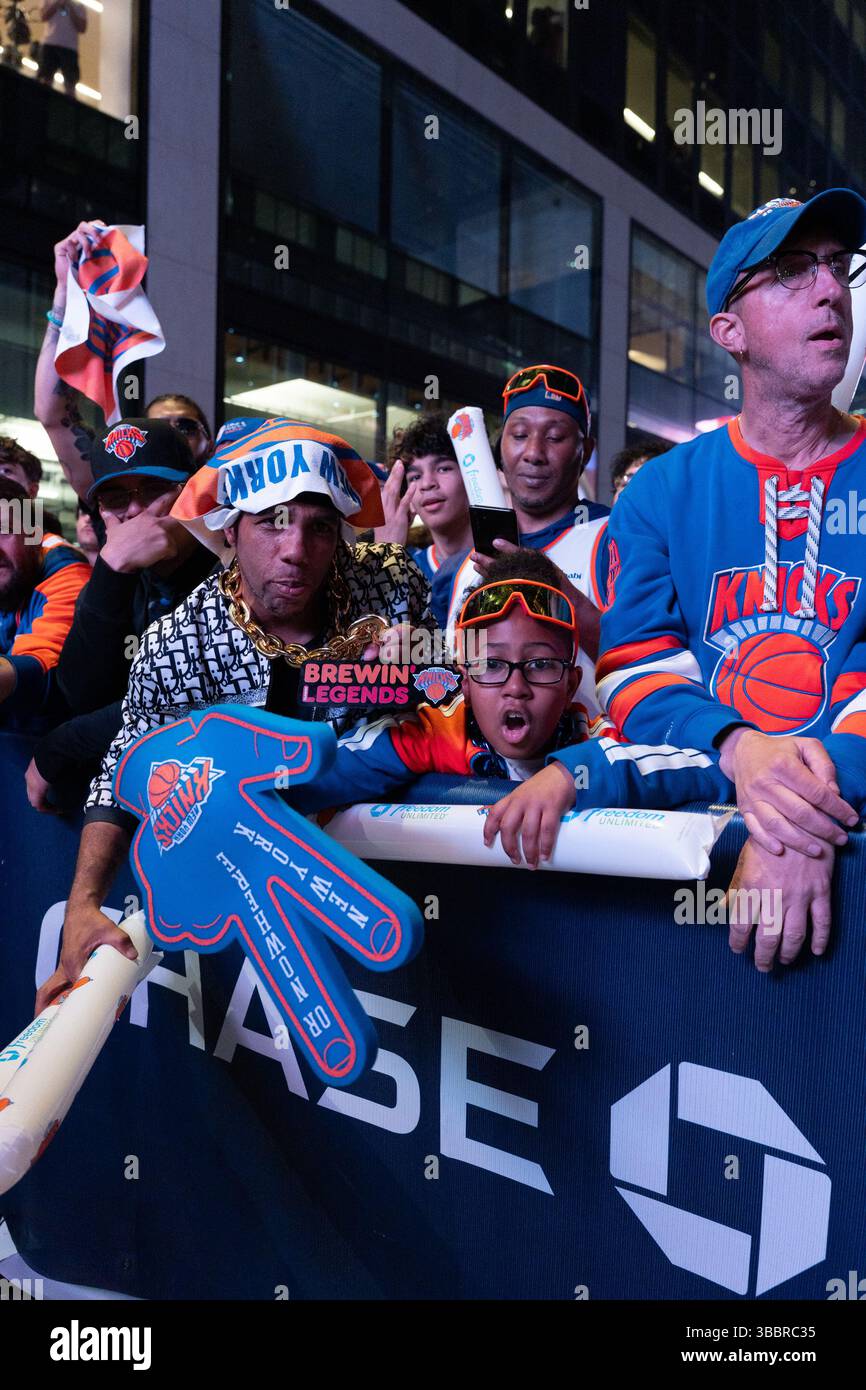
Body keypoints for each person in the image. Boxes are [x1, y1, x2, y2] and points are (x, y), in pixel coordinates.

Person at [34, 419, 431, 1006]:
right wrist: (83, 905)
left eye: (319, 528)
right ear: (229, 530)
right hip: (253, 903)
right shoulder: (180, 639)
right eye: (272, 522)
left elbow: (462, 679)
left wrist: (421, 667)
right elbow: (124, 766)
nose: (296, 550)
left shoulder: (389, 583)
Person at [598, 188, 866, 971]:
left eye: (836, 267)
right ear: (730, 331)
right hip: (703, 869)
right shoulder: (657, 492)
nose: (830, 288)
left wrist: (796, 820)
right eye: (790, 269)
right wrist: (740, 747)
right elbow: (633, 674)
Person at [280, 549, 763, 865]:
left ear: (574, 681)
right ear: (463, 681)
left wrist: (570, 776)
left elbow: (715, 768)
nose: (516, 686)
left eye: (540, 665)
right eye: (491, 664)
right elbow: (313, 775)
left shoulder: (598, 737)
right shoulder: (433, 732)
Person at [25, 419, 212, 812]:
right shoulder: (120, 573)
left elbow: (196, 699)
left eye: (156, 490)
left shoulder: (232, 563)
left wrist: (70, 740)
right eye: (115, 499)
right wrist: (112, 572)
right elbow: (82, 694)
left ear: (192, 493)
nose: (136, 511)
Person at [436, 363, 609, 711]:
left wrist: (548, 583)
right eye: (518, 435)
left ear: (585, 451)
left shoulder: (615, 536)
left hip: (589, 756)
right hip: (474, 761)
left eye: (555, 437)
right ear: (500, 450)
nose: (533, 452)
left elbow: (639, 653)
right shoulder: (464, 563)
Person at [34, 220, 213, 502]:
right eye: (162, 427)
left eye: (186, 426)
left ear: (210, 444)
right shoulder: (117, 488)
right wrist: (65, 293)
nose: (175, 434)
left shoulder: (231, 503)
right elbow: (54, 416)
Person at [0, 476, 90, 733]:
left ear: (33, 535)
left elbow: (44, 668)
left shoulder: (68, 573)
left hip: (53, 743)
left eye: (3, 531)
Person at [375, 413, 472, 582]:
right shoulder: (404, 570)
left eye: (443, 469)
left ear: (470, 476)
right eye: (415, 477)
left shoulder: (502, 560)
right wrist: (385, 552)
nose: (427, 483)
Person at [37, 1, 86, 96]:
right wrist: (58, 3)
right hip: (50, 43)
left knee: (70, 83)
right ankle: (42, 102)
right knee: (45, 78)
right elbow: (43, 16)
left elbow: (82, 28)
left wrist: (70, 7)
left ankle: (69, 107)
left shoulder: (79, 6)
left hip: (70, 48)